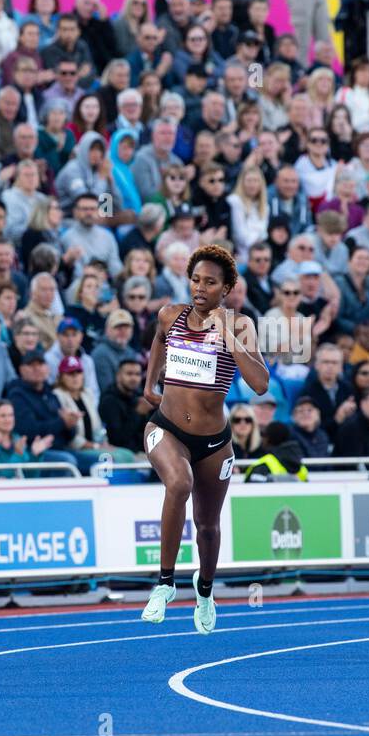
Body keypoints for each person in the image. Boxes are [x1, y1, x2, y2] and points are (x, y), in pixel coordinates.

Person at [140, 245, 269, 633]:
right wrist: (150, 384)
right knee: (179, 483)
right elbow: (158, 340)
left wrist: (226, 332)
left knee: (208, 526)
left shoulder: (240, 325)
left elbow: (260, 384)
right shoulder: (170, 315)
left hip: (214, 443)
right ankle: (165, 584)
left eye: (210, 282)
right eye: (195, 280)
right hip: (166, 428)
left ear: (226, 288)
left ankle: (205, 591)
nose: (200, 288)